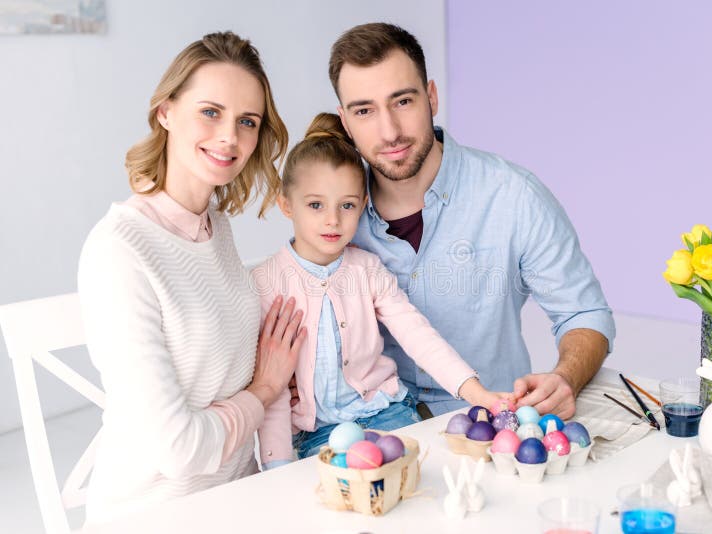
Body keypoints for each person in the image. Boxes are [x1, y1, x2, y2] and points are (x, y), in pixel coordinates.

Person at [324, 23, 616, 419]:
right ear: (345, 121)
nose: (389, 131)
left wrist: (565, 378)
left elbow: (584, 314)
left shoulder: (514, 196)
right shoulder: (331, 218)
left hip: (493, 426)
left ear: (431, 97)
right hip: (375, 442)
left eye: (403, 102)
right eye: (364, 111)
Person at [78, 32, 305, 523]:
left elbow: (218, 355)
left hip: (242, 496)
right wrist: (264, 390)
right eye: (211, 111)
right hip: (156, 515)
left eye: (248, 121)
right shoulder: (119, 250)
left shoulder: (215, 227)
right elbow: (178, 450)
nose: (230, 137)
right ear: (165, 111)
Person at [253, 113, 506, 464]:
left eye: (347, 205)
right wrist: (276, 468)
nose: (332, 220)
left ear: (363, 206)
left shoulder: (366, 269)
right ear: (286, 204)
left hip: (387, 411)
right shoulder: (266, 282)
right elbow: (275, 389)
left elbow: (417, 334)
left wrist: (477, 393)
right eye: (315, 205)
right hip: (320, 432)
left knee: (422, 478)